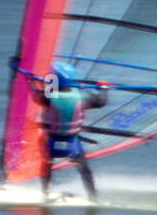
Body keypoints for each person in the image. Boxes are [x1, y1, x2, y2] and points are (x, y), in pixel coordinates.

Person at [32, 60, 107, 202]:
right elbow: (102, 102)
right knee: (84, 169)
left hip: (52, 143)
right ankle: (92, 196)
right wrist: (103, 88)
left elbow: (37, 94)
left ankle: (45, 192)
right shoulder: (82, 96)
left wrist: (30, 81)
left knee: (46, 164)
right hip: (73, 144)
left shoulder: (48, 97)